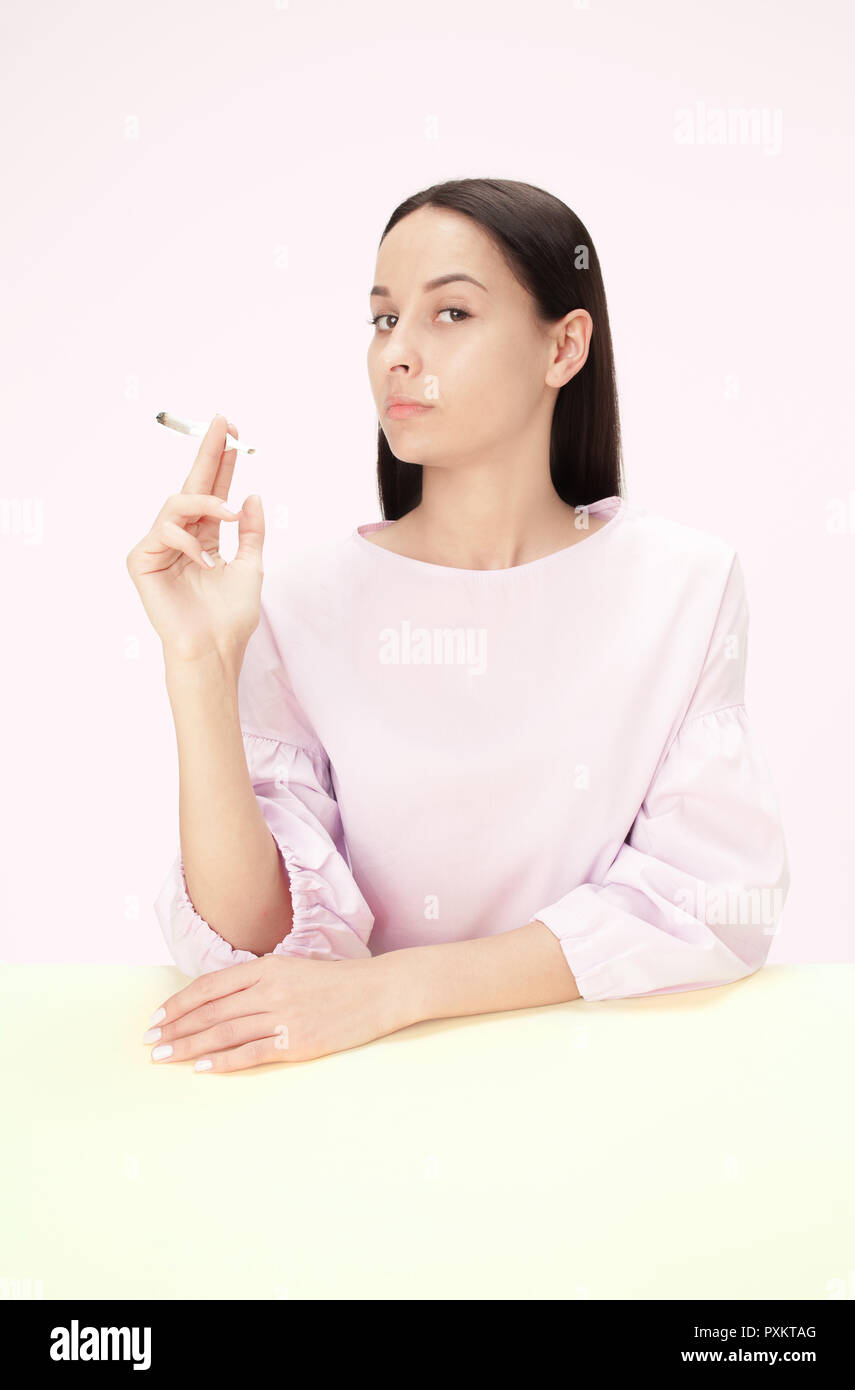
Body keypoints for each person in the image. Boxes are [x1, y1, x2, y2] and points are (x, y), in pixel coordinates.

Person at [126, 177, 790, 1072]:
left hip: (609, 1092)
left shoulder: (686, 586)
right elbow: (255, 937)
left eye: (450, 315)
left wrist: (395, 990)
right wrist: (200, 668)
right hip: (360, 1099)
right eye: (382, 318)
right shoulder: (296, 599)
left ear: (564, 346)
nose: (398, 353)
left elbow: (703, 903)